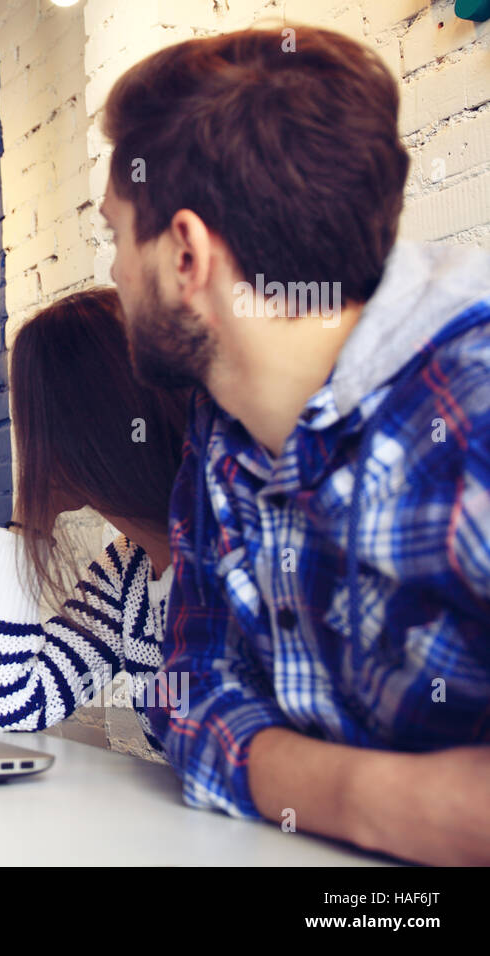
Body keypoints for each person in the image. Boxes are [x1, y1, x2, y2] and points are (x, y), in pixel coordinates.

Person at [100, 25, 490, 865]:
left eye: (115, 238)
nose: (114, 276)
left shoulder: (471, 413)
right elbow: (191, 701)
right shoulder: (226, 425)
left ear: (185, 253)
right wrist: (385, 801)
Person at [0, 288, 188, 742]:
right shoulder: (127, 571)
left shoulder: (239, 553)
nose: (35, 451)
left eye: (39, 427)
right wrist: (30, 520)